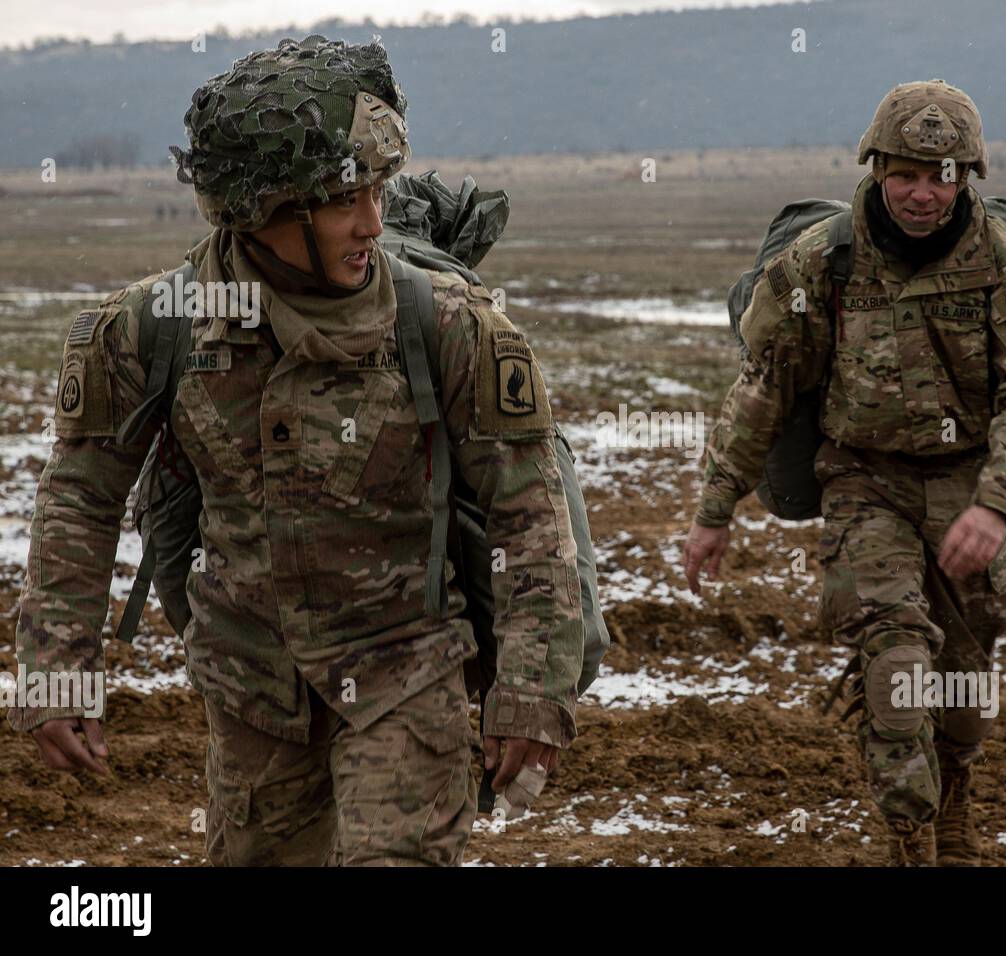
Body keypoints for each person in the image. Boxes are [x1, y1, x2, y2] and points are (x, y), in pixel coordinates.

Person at [7, 35, 585, 866]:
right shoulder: (152, 328)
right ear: (267, 210)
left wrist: (530, 692)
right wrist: (57, 671)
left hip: (407, 676)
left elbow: (530, 520)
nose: (373, 223)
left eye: (378, 193)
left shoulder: (449, 324)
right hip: (252, 698)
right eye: (347, 200)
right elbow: (80, 499)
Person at [683, 79, 1006, 865]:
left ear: (968, 178)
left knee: (964, 680)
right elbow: (767, 384)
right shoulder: (824, 259)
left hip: (967, 482)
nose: (923, 195)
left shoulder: (1003, 260)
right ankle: (909, 837)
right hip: (864, 481)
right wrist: (715, 508)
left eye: (942, 177)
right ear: (875, 170)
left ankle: (955, 784)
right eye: (905, 176)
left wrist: (996, 506)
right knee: (895, 661)